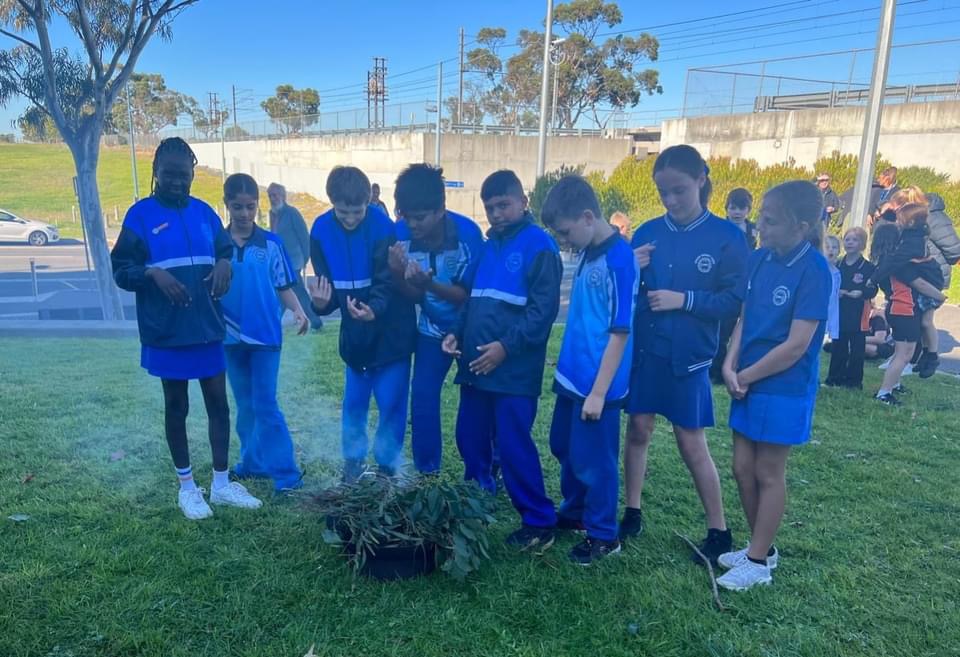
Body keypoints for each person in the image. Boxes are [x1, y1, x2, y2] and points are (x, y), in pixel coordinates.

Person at [111, 137, 262, 519]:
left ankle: (223, 484)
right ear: (156, 173)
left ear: (193, 173)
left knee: (218, 405)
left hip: (207, 326)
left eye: (184, 175)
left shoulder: (204, 212)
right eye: (170, 174)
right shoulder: (140, 215)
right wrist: (152, 273)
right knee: (176, 406)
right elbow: (121, 270)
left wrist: (226, 263)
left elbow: (224, 248)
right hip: (167, 331)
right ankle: (187, 488)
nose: (178, 182)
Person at [622, 145, 749, 566]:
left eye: (679, 190)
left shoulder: (728, 237)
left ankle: (718, 530)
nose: (671, 200)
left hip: (689, 357)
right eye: (663, 193)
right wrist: (629, 270)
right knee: (638, 430)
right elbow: (626, 298)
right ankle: (632, 512)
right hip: (645, 352)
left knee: (690, 441)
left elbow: (733, 300)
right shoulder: (646, 233)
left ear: (701, 180)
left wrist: (685, 299)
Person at [716, 180, 831, 591]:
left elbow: (797, 344)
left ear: (801, 227)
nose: (761, 226)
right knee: (741, 468)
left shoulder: (815, 270)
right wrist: (729, 365)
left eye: (772, 221)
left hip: (782, 385)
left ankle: (757, 560)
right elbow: (744, 320)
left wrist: (745, 375)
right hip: (745, 378)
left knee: (768, 471)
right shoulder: (760, 259)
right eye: (762, 217)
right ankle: (761, 548)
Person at [442, 170, 562, 551]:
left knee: (512, 446)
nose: (497, 213)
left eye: (504, 205)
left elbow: (542, 314)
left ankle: (539, 521)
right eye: (490, 207)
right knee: (470, 439)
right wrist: (456, 333)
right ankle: (478, 502)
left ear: (523, 201)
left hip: (513, 373)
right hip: (476, 369)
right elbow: (470, 301)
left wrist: (505, 349)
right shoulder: (486, 246)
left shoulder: (539, 246)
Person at [540, 175, 638, 565]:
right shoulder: (588, 250)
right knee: (562, 445)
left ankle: (603, 534)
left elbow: (619, 331)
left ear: (585, 217)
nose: (564, 240)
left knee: (594, 461)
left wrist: (599, 392)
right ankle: (577, 512)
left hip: (599, 385)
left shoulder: (619, 259)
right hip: (571, 375)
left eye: (565, 232)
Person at [308, 166, 417, 480]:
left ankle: (386, 470)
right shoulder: (320, 230)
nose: (351, 219)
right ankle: (352, 467)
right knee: (354, 407)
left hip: (391, 333)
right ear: (331, 203)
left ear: (369, 200)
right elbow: (326, 290)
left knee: (391, 406)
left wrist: (374, 309)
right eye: (343, 212)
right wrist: (320, 304)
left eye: (357, 211)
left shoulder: (383, 226)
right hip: (355, 339)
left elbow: (388, 281)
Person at [389, 164, 484, 474]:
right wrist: (396, 273)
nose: (411, 224)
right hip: (430, 329)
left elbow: (467, 296)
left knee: (475, 403)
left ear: (441, 209)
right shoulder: (400, 236)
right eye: (406, 215)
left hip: (470, 331)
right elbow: (413, 296)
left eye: (420, 217)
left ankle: (480, 473)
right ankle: (427, 472)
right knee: (424, 398)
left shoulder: (467, 235)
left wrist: (429, 284)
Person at [220, 173, 310, 493]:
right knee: (244, 404)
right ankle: (252, 463)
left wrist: (298, 310)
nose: (244, 214)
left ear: (258, 206)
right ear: (227, 205)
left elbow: (283, 284)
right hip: (229, 340)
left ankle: (287, 475)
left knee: (266, 405)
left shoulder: (272, 244)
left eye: (250, 206)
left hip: (265, 339)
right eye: (237, 207)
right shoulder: (217, 244)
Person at [868, 208, 944, 406]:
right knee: (904, 354)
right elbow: (919, 283)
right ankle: (884, 393)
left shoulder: (884, 262)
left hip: (897, 308)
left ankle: (894, 383)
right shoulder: (900, 264)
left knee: (899, 352)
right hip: (905, 309)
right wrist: (939, 295)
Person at [711, 187, 757, 383]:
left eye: (742, 208)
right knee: (721, 329)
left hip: (746, 282)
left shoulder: (754, 230)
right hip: (724, 283)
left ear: (748, 210)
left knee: (743, 328)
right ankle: (717, 370)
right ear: (727, 208)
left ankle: (736, 366)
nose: (737, 212)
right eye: (733, 208)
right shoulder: (719, 228)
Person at [824, 227, 877, 388]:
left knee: (857, 349)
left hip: (858, 312)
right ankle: (834, 378)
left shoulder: (867, 267)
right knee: (838, 346)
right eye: (847, 240)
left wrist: (860, 293)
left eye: (854, 240)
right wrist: (836, 292)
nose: (850, 243)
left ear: (862, 244)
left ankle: (854, 381)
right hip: (840, 311)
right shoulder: (838, 263)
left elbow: (873, 289)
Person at [267, 183, 323, 331]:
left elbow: (304, 237)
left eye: (275, 195)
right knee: (285, 293)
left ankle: (314, 320)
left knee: (295, 293)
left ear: (283, 196)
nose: (272, 198)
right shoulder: (272, 214)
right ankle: (274, 322)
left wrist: (305, 258)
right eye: (270, 196)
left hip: (293, 261)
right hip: (278, 262)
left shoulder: (292, 213)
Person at [917, 193, 960, 377]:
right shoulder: (927, 217)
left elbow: (953, 248)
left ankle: (931, 355)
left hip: (933, 273)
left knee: (926, 319)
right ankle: (924, 354)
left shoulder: (934, 218)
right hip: (926, 270)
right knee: (921, 319)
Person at [824, 235, 841, 343]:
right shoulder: (819, 269)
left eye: (834, 247)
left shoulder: (837, 273)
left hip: (831, 309)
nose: (831, 250)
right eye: (827, 247)